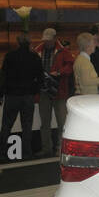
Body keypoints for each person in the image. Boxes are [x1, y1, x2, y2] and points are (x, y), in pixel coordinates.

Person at [0, 33, 42, 160]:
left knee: (6, 125)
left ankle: (1, 153)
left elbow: (4, 77)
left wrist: (0, 95)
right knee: (27, 126)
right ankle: (27, 153)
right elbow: (40, 77)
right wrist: (35, 91)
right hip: (27, 96)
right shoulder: (34, 57)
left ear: (17, 42)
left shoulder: (10, 56)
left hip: (12, 96)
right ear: (29, 43)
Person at [34, 28, 75, 156]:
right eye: (45, 40)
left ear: (54, 38)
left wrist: (58, 73)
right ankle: (47, 148)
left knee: (62, 122)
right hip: (44, 91)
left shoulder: (63, 51)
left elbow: (70, 66)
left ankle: (60, 149)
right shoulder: (38, 51)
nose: (47, 42)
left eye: (49, 40)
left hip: (60, 91)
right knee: (45, 122)